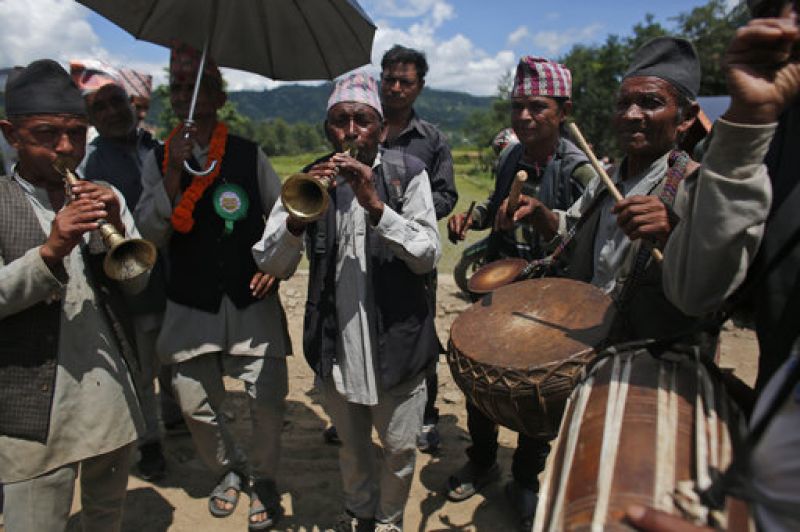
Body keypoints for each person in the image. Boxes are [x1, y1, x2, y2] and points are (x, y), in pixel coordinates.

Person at [629, 4, 800, 531]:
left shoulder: (688, 170)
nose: (784, 25)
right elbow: (696, 287)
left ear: (683, 117)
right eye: (772, 6)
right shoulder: (765, 131)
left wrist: (672, 226)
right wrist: (749, 125)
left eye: (649, 103)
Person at [253, 71, 440, 532]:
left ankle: (390, 520)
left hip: (397, 344)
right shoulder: (308, 181)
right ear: (328, 130)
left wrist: (376, 206)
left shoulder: (409, 174)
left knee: (398, 449)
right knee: (353, 447)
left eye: (361, 120)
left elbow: (428, 256)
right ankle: (358, 509)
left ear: (380, 128)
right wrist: (296, 221)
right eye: (339, 121)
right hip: (336, 345)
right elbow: (271, 264)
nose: (350, 132)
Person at [135, 43, 290, 530]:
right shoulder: (158, 158)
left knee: (266, 404)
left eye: (196, 87)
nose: (186, 95)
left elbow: (283, 218)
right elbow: (148, 236)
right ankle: (229, 470)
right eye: (178, 88)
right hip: (190, 304)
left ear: (217, 97)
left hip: (250, 300)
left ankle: (263, 478)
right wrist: (175, 171)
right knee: (195, 404)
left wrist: (278, 264)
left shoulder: (248, 154)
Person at [443, 55, 595, 531]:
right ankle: (483, 459)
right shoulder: (511, 156)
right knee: (480, 381)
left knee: (538, 395)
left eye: (537, 107)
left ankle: (525, 479)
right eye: (517, 107)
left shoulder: (580, 172)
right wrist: (475, 218)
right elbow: (497, 205)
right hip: (503, 293)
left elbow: (586, 242)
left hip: (553, 305)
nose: (524, 117)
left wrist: (547, 218)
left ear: (563, 110)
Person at [0, 59, 145, 532]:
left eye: (77, 134)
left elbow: (137, 284)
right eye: (46, 134)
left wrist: (117, 229)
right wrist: (51, 251)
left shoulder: (108, 196)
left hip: (108, 399)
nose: (66, 148)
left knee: (107, 517)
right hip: (34, 410)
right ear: (10, 134)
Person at [76, 71, 167, 480]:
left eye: (118, 101)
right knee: (142, 363)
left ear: (133, 104)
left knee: (175, 358)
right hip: (131, 282)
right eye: (100, 107)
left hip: (175, 276)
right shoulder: (88, 166)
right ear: (91, 119)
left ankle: (174, 418)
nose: (113, 112)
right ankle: (150, 442)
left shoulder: (159, 147)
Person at [380, 44, 457, 452]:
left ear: (419, 86)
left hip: (412, 257)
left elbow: (447, 195)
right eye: (388, 79)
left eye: (404, 81)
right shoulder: (360, 126)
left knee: (418, 333)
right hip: (364, 255)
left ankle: (426, 417)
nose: (394, 87)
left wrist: (406, 213)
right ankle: (360, 410)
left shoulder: (431, 140)